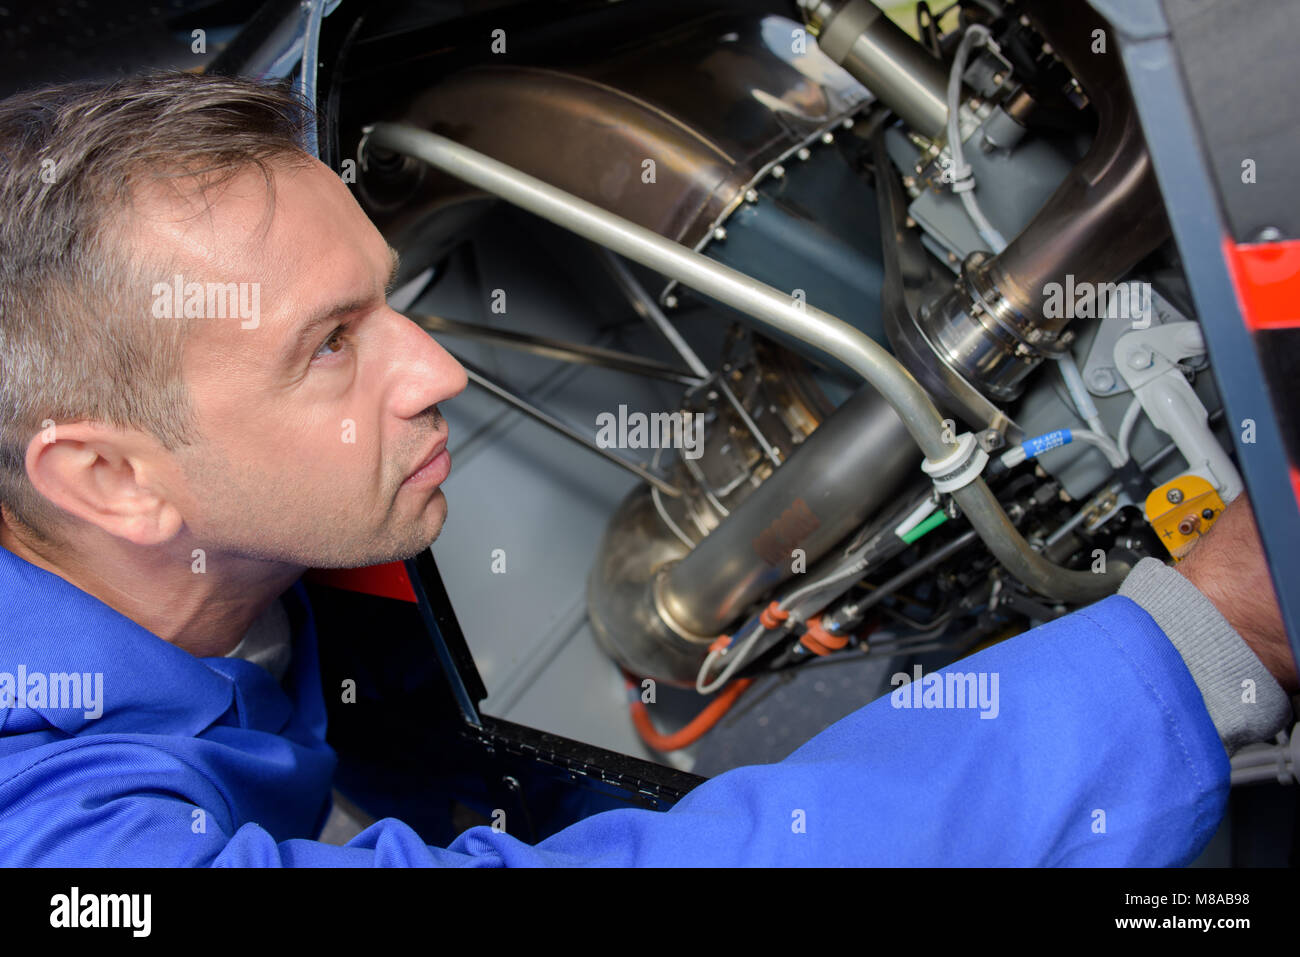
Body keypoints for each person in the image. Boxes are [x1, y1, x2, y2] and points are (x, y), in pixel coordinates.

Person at [0, 71, 1293, 867]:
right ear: (108, 479)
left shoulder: (193, 582)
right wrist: (1202, 637)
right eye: (331, 346)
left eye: (384, 302)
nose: (436, 370)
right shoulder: (55, 837)